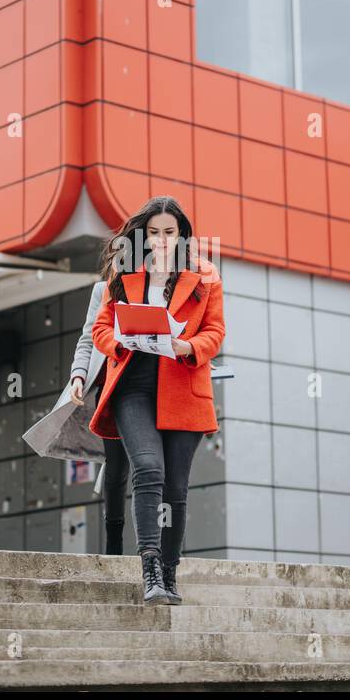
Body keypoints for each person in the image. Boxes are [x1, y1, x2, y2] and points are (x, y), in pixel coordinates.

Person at [88, 196, 224, 606]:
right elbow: (100, 326)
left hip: (183, 383)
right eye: (154, 233)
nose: (162, 240)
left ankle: (168, 571)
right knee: (147, 468)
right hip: (133, 382)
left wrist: (186, 346)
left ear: (181, 234)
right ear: (142, 236)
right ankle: (149, 567)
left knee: (176, 489)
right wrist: (118, 341)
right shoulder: (125, 270)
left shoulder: (204, 275)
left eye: (170, 232)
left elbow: (215, 332)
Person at [67, 278, 130, 554]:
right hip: (109, 386)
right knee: (116, 468)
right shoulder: (102, 289)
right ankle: (114, 542)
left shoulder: (158, 285)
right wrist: (78, 375)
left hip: (149, 387)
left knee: (149, 467)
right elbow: (87, 338)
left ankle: (151, 551)